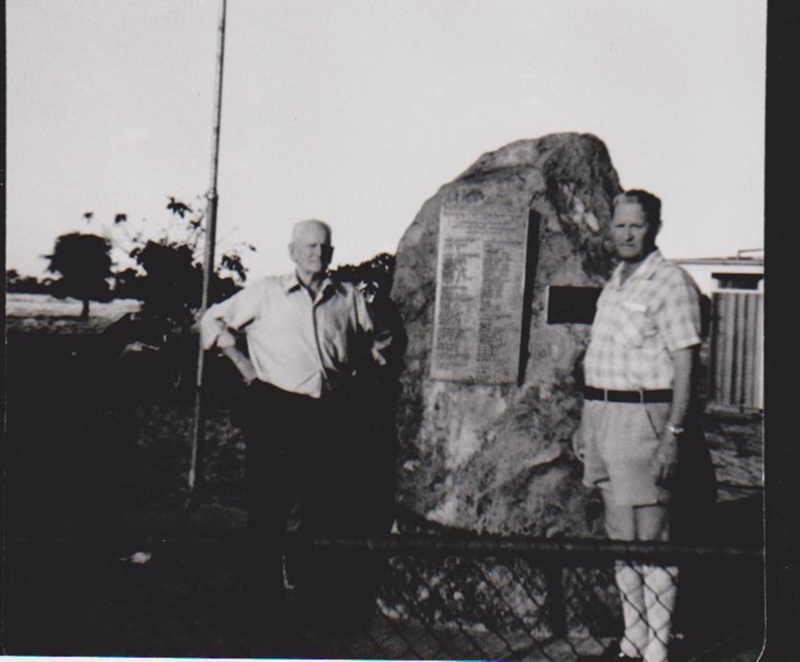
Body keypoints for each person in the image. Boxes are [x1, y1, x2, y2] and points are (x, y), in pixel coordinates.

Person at [199, 219, 392, 632]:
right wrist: (244, 366)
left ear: (332, 253)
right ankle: (259, 609)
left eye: (323, 247)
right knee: (268, 509)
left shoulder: (349, 298)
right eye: (308, 246)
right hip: (276, 409)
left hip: (331, 415)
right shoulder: (265, 293)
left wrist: (364, 370)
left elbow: (381, 339)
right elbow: (211, 321)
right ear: (292, 251)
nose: (316, 253)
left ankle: (314, 606)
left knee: (323, 510)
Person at [574, 190, 703, 662]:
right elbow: (602, 358)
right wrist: (586, 420)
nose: (626, 234)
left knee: (652, 538)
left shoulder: (670, 283)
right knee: (620, 537)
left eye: (637, 225)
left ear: (655, 228)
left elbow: (686, 364)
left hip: (644, 419)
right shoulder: (616, 281)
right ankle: (633, 639)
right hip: (602, 417)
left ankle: (657, 648)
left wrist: (674, 435)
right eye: (620, 225)